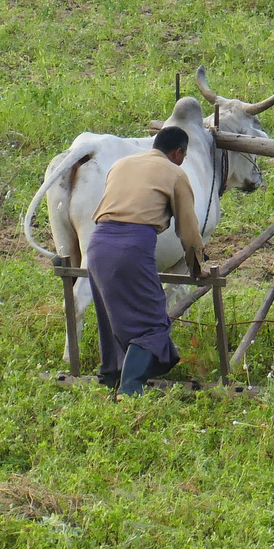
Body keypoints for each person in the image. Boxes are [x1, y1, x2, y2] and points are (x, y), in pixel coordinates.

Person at [89, 127, 205, 395]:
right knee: (153, 323)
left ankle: (111, 380)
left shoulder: (121, 164)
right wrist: (197, 266)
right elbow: (188, 230)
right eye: (183, 155)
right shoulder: (175, 173)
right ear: (178, 152)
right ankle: (130, 393)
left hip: (98, 244)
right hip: (132, 247)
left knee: (112, 319)